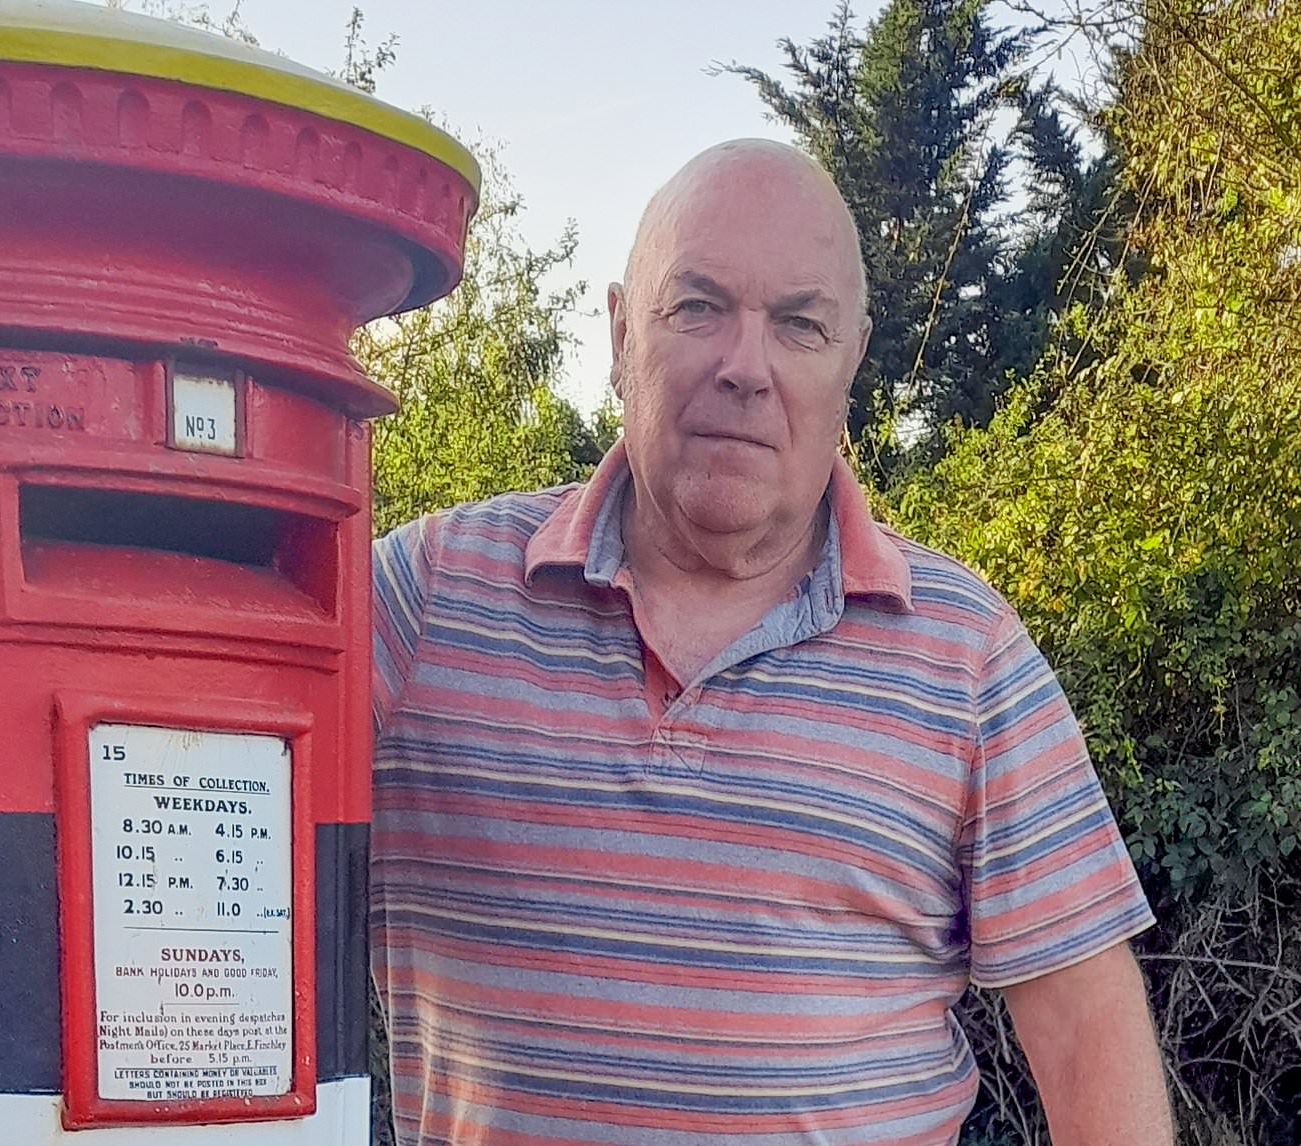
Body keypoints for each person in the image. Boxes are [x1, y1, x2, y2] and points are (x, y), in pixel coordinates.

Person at [368, 139, 1173, 1145]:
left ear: (852, 360)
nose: (745, 368)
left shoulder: (966, 655)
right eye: (697, 306)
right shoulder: (430, 595)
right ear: (620, 333)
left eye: (799, 324)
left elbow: (1087, 1027)